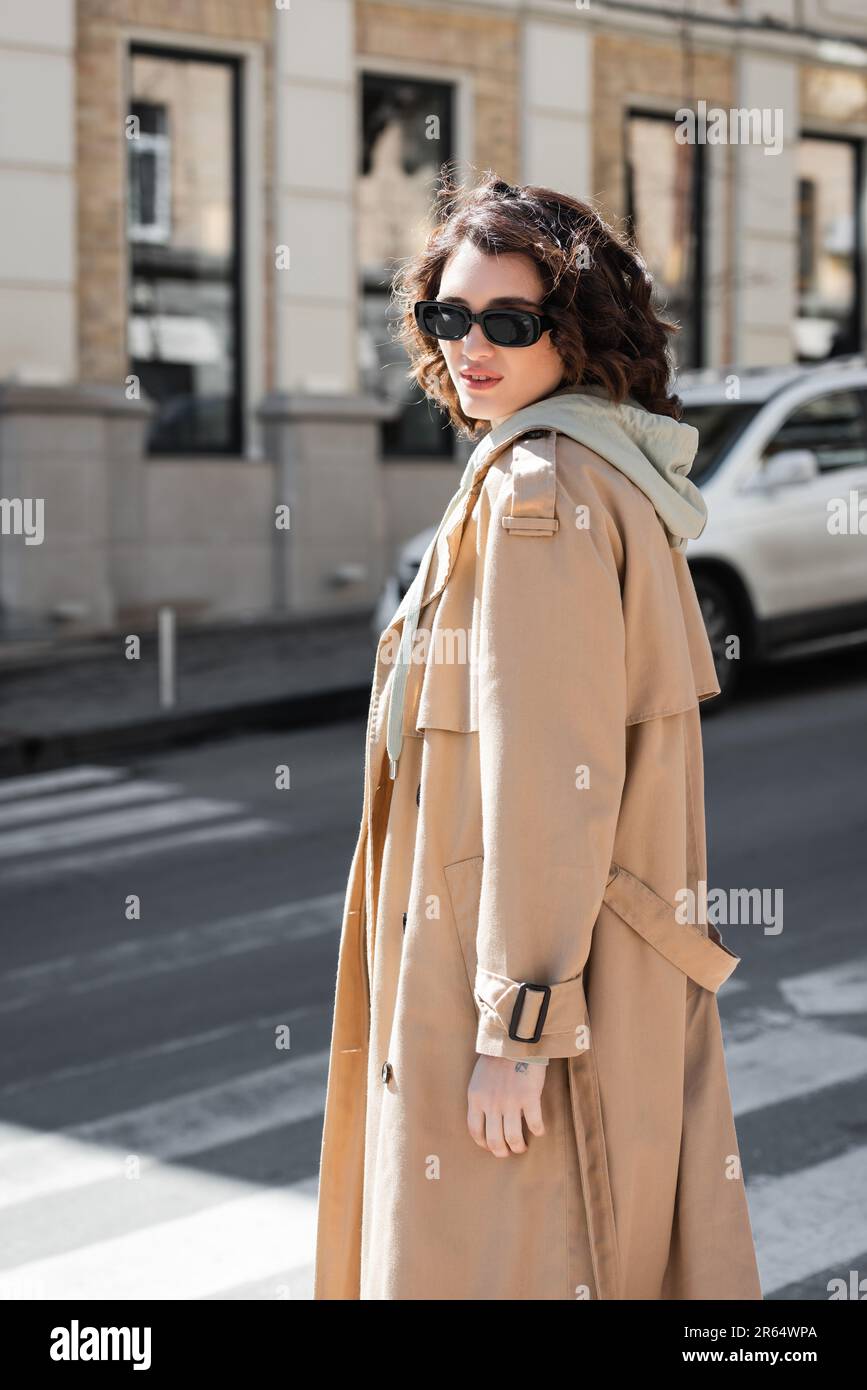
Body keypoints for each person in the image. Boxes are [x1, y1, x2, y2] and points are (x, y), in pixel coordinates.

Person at [313, 167, 763, 1300]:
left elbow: (547, 783)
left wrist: (517, 1030)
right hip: (580, 975)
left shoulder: (539, 491)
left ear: (575, 330)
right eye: (447, 316)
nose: (472, 345)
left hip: (521, 989)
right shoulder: (589, 464)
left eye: (510, 321)